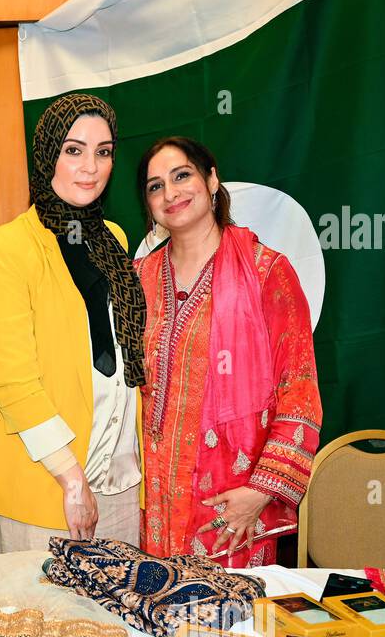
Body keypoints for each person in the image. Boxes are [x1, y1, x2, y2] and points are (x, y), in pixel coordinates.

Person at [0, 94, 149, 558]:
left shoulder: (114, 238)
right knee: (38, 625)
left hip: (119, 476)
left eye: (103, 151)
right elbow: (13, 381)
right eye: (74, 149)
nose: (90, 166)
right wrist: (72, 481)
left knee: (112, 624)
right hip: (46, 479)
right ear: (48, 153)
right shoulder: (8, 247)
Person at [134, 136, 321, 568]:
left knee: (228, 632)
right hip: (151, 506)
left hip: (231, 506)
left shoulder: (266, 272)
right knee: (155, 625)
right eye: (155, 186)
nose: (171, 193)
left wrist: (261, 491)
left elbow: (299, 388)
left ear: (212, 180)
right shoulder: (138, 279)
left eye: (182, 176)